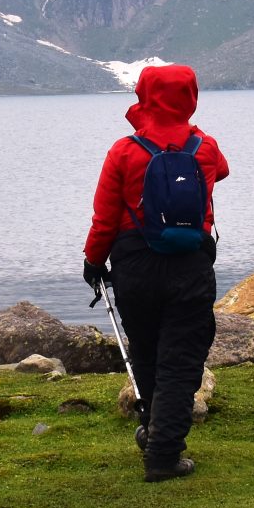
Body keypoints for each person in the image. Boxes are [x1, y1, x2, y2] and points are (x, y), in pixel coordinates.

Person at [83, 63, 229, 481]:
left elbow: (105, 219)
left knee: (146, 352)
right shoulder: (205, 147)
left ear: (144, 96)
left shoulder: (123, 151)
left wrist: (93, 261)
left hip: (134, 265)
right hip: (190, 264)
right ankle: (164, 454)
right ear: (190, 97)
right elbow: (222, 171)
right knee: (181, 360)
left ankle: (156, 433)